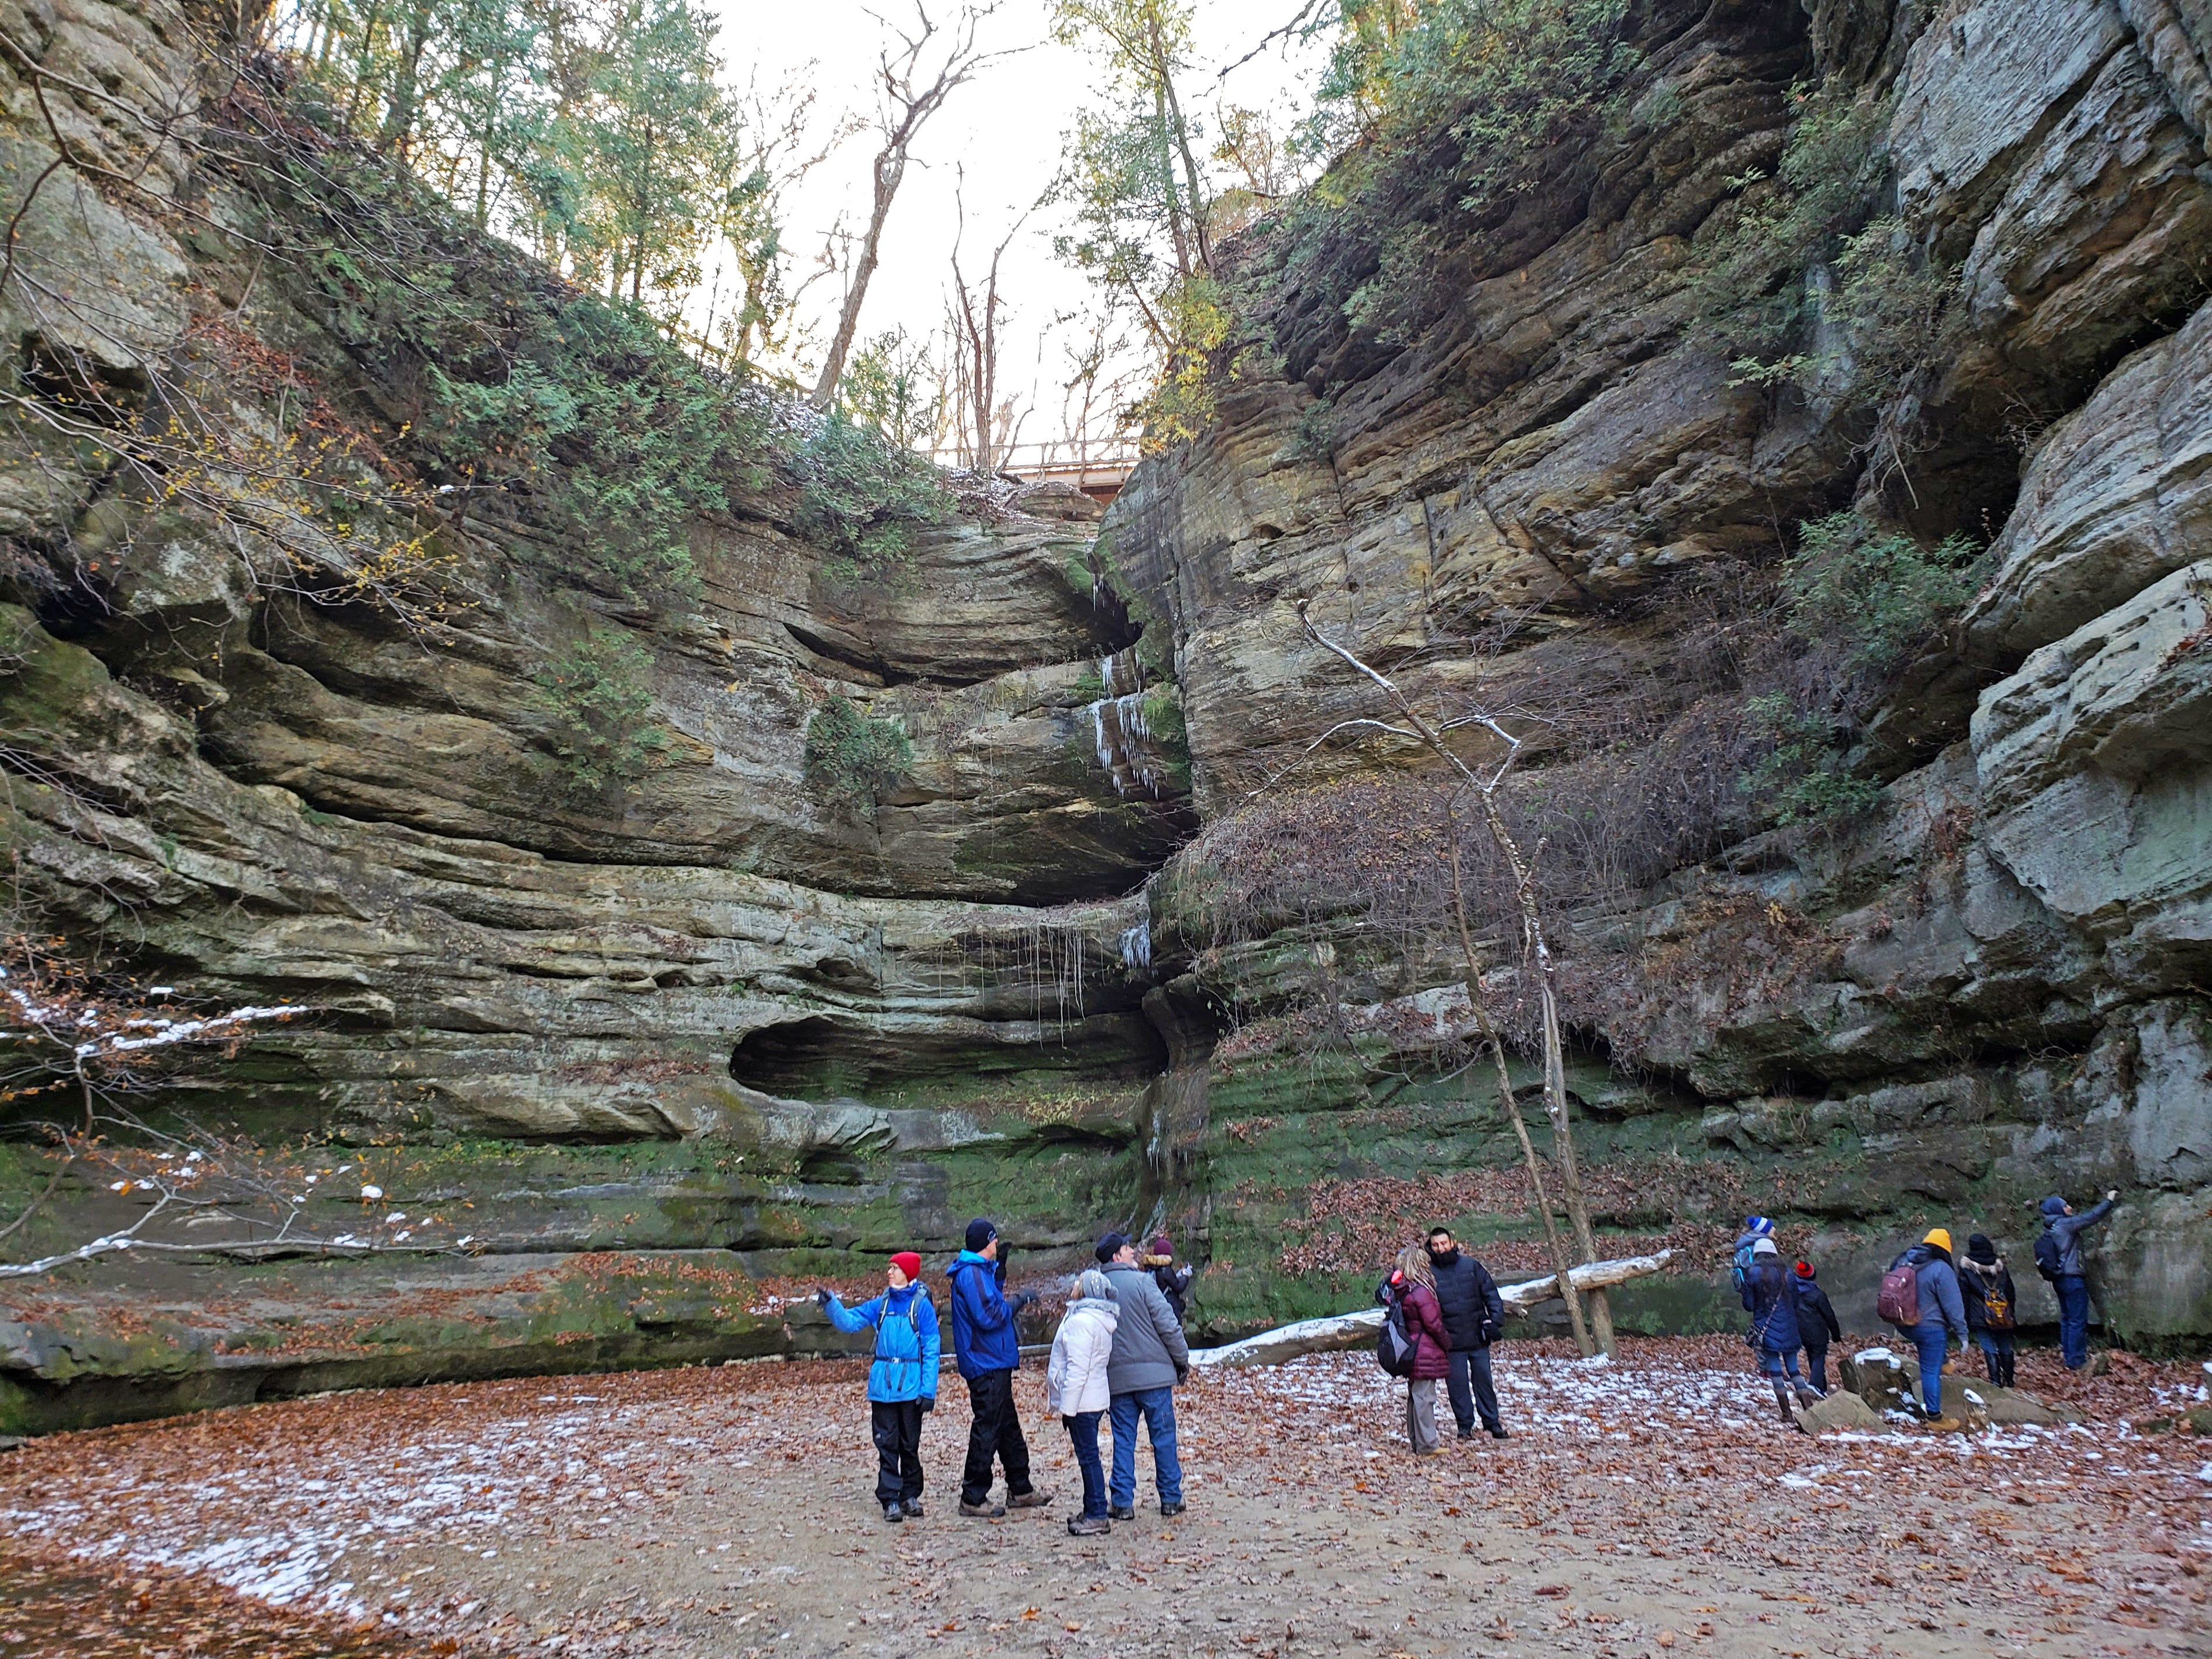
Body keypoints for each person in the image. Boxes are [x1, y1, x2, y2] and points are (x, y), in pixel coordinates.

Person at [818, 1250, 940, 1523]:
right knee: (886, 1443)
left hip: (911, 1388)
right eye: (890, 1267)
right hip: (883, 1388)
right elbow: (849, 1323)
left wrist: (928, 1390)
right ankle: (890, 1500)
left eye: (895, 1268)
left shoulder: (922, 1307)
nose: (890, 1272)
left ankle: (910, 1496)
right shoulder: (881, 1304)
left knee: (909, 1443)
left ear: (907, 1272)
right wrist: (831, 1304)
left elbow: (932, 1348)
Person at [945, 1217, 1048, 1518]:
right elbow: (990, 1315)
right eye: (993, 1240)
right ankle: (973, 1496)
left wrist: (999, 1273)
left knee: (1006, 1428)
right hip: (985, 1363)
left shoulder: (978, 1273)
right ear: (984, 1243)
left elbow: (988, 1298)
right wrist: (1019, 1300)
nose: (996, 1243)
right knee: (988, 1429)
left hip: (993, 1362)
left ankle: (1020, 1487)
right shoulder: (970, 1274)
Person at [1097, 1231, 1190, 1517]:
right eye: (1127, 1249)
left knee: (1123, 1440)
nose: (1133, 1252)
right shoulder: (1143, 1284)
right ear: (1117, 1256)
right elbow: (1169, 1326)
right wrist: (1182, 1360)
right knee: (1163, 1437)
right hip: (1155, 1377)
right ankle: (1171, 1499)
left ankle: (1123, 1503)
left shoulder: (1096, 1288)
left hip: (1118, 1380)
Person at [1046, 1268, 1119, 1537]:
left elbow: (1078, 1370)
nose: (1074, 1284)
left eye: (1080, 1282)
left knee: (1089, 1459)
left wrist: (1068, 1408)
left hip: (1083, 1401)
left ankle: (1097, 1514)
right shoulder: (1098, 1318)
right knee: (1090, 1457)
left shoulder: (1082, 1322)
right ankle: (1092, 1507)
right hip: (1095, 1397)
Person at [1424, 1226, 1509, 1440]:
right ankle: (1465, 1426)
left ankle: (1492, 1423)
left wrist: (1495, 1321)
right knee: (1457, 1386)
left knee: (1484, 1382)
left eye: (1444, 1244)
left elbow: (1491, 1294)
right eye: (1436, 1245)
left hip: (1477, 1336)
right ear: (1430, 1247)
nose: (1441, 1248)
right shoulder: (1428, 1273)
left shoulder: (1471, 1266)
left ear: (1452, 1243)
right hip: (1450, 1342)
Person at [1886, 1226, 1968, 1423]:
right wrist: (1962, 1334)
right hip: (1929, 1328)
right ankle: (1935, 1418)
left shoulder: (1904, 1261)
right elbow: (1953, 1305)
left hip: (1904, 1323)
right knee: (1929, 1371)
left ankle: (1944, 1361)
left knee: (1931, 1346)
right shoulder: (1941, 1269)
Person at [2037, 1190, 2118, 1370]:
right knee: (2077, 1320)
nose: (2070, 1207)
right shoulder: (2064, 1225)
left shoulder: (2050, 1226)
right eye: (2065, 1205)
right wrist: (2109, 1200)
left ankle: (2069, 1356)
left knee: (2067, 1319)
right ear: (2058, 1209)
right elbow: (2092, 1217)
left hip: (2059, 1279)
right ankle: (2076, 1360)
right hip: (2072, 1279)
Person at [1741, 1238, 1818, 1424]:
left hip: (1766, 1329)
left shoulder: (1752, 1274)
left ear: (1756, 1254)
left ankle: (1787, 1414)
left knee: (1775, 1371)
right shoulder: (1788, 1273)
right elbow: (1794, 1302)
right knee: (1794, 1370)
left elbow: (1749, 1305)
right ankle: (1810, 1411)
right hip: (1790, 1327)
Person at [1384, 1244, 1452, 1455]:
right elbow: (1433, 1323)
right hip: (1425, 1349)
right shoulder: (1421, 1291)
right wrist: (1447, 1343)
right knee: (1424, 1397)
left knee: (1416, 1396)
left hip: (1411, 1349)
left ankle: (1417, 1440)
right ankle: (1427, 1445)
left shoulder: (1401, 1289)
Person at [1959, 1232, 2017, 1387]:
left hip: (1980, 1314)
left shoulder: (1967, 1269)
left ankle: (1995, 1381)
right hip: (2003, 1313)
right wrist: (2011, 1313)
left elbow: (1963, 1295)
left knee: (1988, 1345)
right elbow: (2011, 1292)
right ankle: (2010, 1380)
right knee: (2005, 1344)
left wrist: (1965, 1318)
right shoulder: (2001, 1267)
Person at [1792, 1260, 1841, 1396]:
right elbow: (1829, 1316)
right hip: (1818, 1333)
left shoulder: (1791, 1291)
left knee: (1812, 1357)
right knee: (1818, 1357)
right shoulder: (1818, 1295)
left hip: (1800, 1332)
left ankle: (1821, 1389)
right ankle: (1814, 1385)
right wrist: (1836, 1335)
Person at [1142, 1233, 1195, 1323]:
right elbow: (1179, 1287)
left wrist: (1179, 1275)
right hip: (1169, 1308)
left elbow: (1167, 1282)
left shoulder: (1150, 1268)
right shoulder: (1165, 1270)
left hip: (1157, 1307)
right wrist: (1186, 1275)